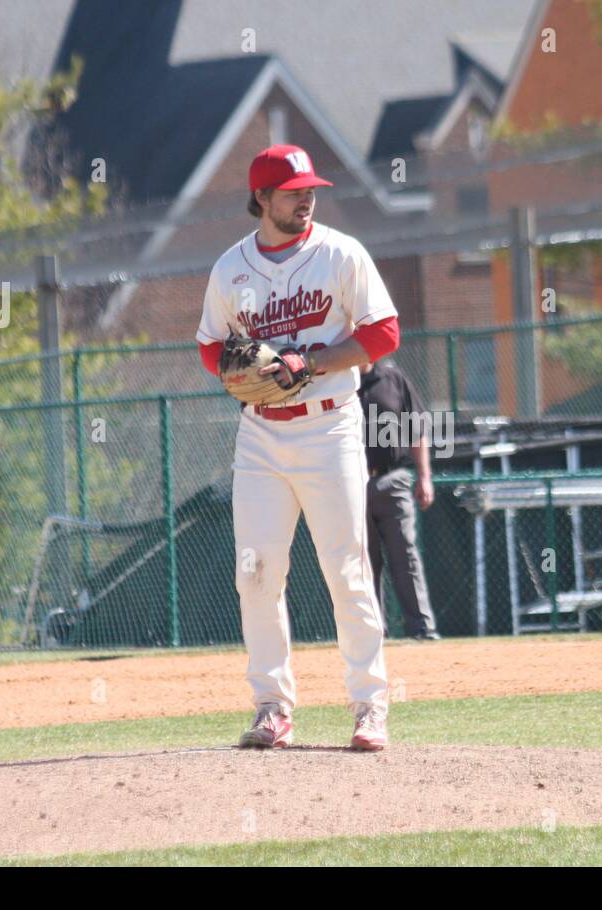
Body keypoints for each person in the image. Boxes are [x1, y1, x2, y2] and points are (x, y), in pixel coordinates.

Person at [195, 144, 400, 751]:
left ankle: (370, 706)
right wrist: (235, 367)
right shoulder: (231, 269)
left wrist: (309, 361)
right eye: (293, 191)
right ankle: (272, 708)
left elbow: (382, 334)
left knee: (347, 569)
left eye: (311, 189)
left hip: (329, 425)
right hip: (260, 433)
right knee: (256, 573)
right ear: (261, 198)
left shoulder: (340, 253)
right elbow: (210, 345)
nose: (307, 197)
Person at [357, 361, 441, 641]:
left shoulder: (393, 378)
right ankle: (372, 632)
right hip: (350, 485)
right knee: (363, 560)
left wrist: (425, 477)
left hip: (393, 480)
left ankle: (422, 628)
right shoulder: (336, 382)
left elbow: (417, 430)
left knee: (405, 554)